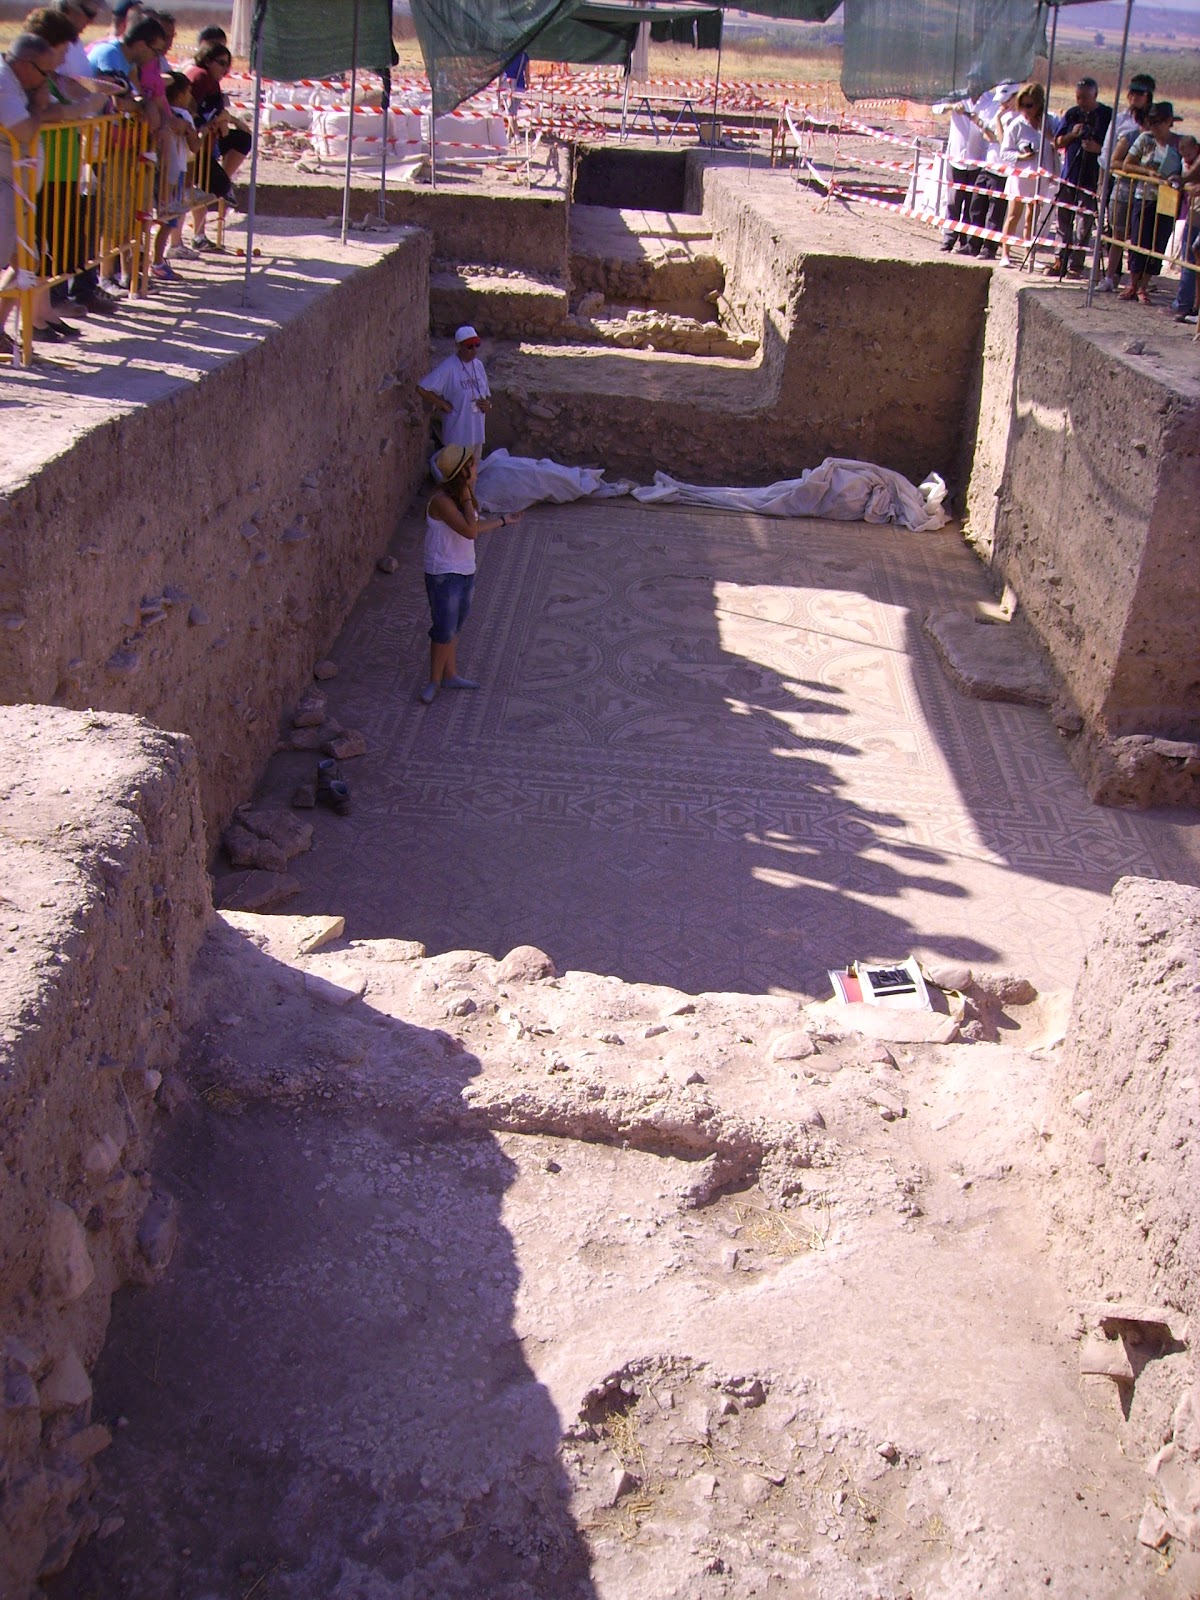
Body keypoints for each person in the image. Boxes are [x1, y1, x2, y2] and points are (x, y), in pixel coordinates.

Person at [419, 443, 522, 705]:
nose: (477, 468)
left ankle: (451, 674)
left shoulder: (460, 497)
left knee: (455, 625)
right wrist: (466, 495)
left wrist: (502, 521)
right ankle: (435, 680)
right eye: (472, 465)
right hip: (444, 572)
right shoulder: (442, 501)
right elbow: (469, 531)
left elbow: (472, 525)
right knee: (444, 628)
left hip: (464, 569)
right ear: (463, 472)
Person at [1116, 101, 1182, 303]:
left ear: (1169, 122)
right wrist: (1148, 173)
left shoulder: (1181, 143)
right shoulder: (1145, 139)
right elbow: (1127, 163)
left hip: (1167, 201)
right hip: (1143, 196)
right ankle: (1132, 284)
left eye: (1158, 122)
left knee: (1158, 243)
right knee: (1138, 241)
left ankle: (1144, 286)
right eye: (1151, 122)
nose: (1154, 126)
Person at [1048, 76, 1112, 278]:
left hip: (1092, 178)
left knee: (1084, 224)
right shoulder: (1072, 114)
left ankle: (1076, 264)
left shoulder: (1107, 115)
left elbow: (1114, 147)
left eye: (1085, 97)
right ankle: (1060, 258)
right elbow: (1057, 142)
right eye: (1078, 97)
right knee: (1063, 219)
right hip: (1070, 175)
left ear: (1095, 95)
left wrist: (1098, 149)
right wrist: (1072, 135)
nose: (1081, 102)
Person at [1098, 72, 1156, 293]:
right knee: (1117, 232)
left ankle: (1138, 282)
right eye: (1132, 92)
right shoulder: (1121, 120)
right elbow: (1109, 153)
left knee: (1140, 236)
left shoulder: (1152, 122)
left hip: (1145, 191)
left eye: (1140, 93)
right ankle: (1111, 275)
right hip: (1118, 182)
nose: (1134, 97)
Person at [998, 83, 1057, 268]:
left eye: (1030, 105)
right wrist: (1021, 156)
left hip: (1040, 178)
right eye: (1022, 105)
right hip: (1020, 176)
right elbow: (1004, 153)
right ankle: (1005, 254)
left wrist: (1047, 134)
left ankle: (1028, 254)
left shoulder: (1050, 121)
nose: (1025, 110)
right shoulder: (1016, 125)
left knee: (1032, 217)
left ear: (1039, 104)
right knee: (1014, 215)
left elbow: (1057, 143)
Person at [417, 325, 492, 463]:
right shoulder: (449, 368)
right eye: (469, 347)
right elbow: (422, 388)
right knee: (456, 477)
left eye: (477, 345)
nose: (474, 350)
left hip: (476, 433)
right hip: (458, 437)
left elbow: (485, 394)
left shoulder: (478, 365)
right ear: (458, 346)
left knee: (472, 475)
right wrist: (442, 404)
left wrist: (487, 405)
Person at [935, 71, 988, 254]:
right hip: (956, 157)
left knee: (972, 203)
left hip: (978, 159)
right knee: (953, 200)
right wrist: (951, 106)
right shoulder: (957, 95)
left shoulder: (990, 101)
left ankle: (966, 241)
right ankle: (949, 237)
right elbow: (937, 107)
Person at [967, 81, 1020, 260]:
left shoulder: (1018, 119)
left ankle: (989, 248)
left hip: (1004, 170)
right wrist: (988, 126)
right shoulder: (999, 113)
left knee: (995, 212)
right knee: (976, 205)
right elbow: (988, 135)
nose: (1003, 105)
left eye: (1006, 101)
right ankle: (972, 243)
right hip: (989, 164)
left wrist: (996, 123)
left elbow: (1004, 141)